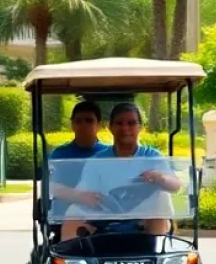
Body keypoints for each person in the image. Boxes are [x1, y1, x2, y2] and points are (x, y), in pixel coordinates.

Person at [61, 102, 182, 240]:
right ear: (110, 127)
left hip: (145, 221)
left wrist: (160, 178)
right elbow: (84, 192)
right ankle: (70, 259)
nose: (125, 128)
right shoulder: (97, 160)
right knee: (73, 212)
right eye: (119, 123)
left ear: (140, 127)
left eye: (131, 123)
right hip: (105, 217)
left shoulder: (152, 156)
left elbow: (176, 186)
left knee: (160, 199)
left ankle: (155, 254)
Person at [47, 101, 110, 222]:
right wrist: (80, 197)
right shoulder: (59, 154)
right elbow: (52, 186)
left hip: (102, 216)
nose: (83, 125)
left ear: (99, 125)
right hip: (65, 217)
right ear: (72, 125)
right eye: (78, 121)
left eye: (89, 120)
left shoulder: (108, 154)